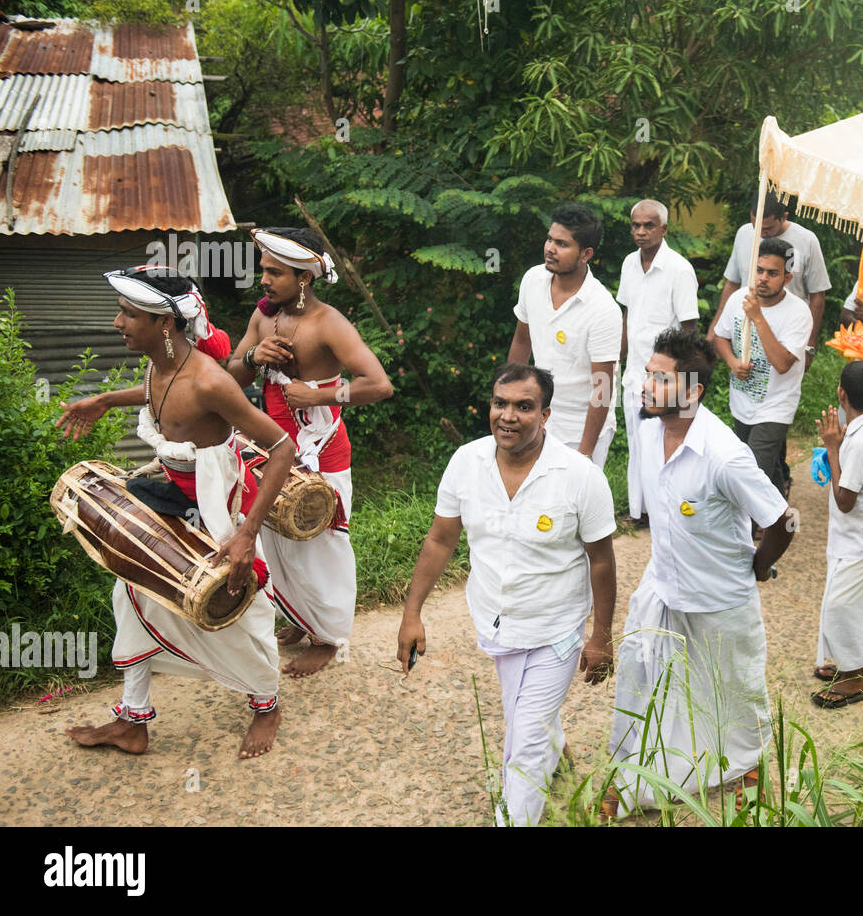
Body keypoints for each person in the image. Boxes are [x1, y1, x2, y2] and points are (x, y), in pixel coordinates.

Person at [60, 266, 297, 758]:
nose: (117, 322)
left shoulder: (211, 382)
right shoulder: (158, 361)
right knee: (133, 591)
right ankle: (132, 720)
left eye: (129, 314)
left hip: (219, 504)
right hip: (175, 493)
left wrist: (246, 534)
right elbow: (158, 396)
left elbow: (282, 449)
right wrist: (104, 400)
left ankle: (266, 702)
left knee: (239, 605)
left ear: (164, 323)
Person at [397, 364, 617, 826]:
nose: (508, 416)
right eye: (501, 403)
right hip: (495, 621)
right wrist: (411, 612)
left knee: (524, 742)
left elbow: (601, 560)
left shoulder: (579, 476)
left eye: (524, 406)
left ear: (546, 414)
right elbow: (440, 540)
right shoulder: (467, 462)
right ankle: (557, 756)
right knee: (526, 715)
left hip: (555, 628)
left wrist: (600, 637)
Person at [605, 330, 795, 817]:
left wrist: (757, 566)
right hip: (663, 587)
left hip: (720, 597)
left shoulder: (724, 454)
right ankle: (634, 774)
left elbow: (781, 521)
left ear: (692, 392)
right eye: (647, 373)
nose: (646, 385)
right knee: (645, 675)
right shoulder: (648, 431)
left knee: (736, 687)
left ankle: (749, 771)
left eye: (659, 378)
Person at [228, 228, 394, 676]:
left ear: (304, 278)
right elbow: (231, 377)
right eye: (263, 270)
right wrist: (253, 358)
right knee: (278, 538)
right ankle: (302, 619)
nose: (263, 280)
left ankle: (330, 636)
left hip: (322, 451)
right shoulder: (264, 319)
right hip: (273, 449)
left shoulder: (329, 323)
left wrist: (320, 396)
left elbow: (379, 384)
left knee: (321, 545)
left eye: (274, 272)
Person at [509, 203, 623, 467]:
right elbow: (521, 341)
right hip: (538, 416)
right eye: (549, 239)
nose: (549, 248)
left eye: (562, 244)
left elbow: (602, 388)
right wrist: (511, 402)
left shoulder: (603, 308)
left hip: (581, 428)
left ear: (586, 254)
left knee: (573, 505)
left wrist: (585, 453)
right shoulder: (532, 280)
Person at [811, 360, 863, 708]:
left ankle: (853, 678)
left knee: (840, 607)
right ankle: (860, 666)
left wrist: (832, 447)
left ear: (841, 392)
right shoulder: (861, 432)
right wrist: (838, 443)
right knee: (856, 603)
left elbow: (845, 500)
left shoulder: (861, 441)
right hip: (859, 537)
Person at [616, 199, 699, 526]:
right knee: (637, 444)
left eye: (649, 225)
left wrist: (682, 378)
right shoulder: (628, 264)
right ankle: (639, 512)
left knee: (662, 444)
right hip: (633, 374)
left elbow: (690, 328)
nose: (641, 231)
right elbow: (626, 315)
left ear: (664, 229)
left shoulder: (679, 269)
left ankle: (664, 510)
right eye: (636, 225)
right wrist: (616, 361)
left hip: (665, 379)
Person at [712, 237, 813, 497]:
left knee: (751, 473)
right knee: (765, 469)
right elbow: (720, 337)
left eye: (772, 273)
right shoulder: (737, 299)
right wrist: (733, 362)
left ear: (787, 278)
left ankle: (750, 530)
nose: (763, 278)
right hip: (742, 401)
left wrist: (757, 317)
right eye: (759, 270)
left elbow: (781, 364)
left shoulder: (798, 312)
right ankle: (779, 519)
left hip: (775, 406)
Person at [708, 189, 830, 369]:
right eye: (756, 225)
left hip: (786, 334)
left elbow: (817, 296)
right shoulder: (744, 234)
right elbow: (732, 283)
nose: (761, 233)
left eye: (768, 228)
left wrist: (809, 346)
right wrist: (715, 328)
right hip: (746, 330)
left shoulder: (807, 240)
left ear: (784, 217)